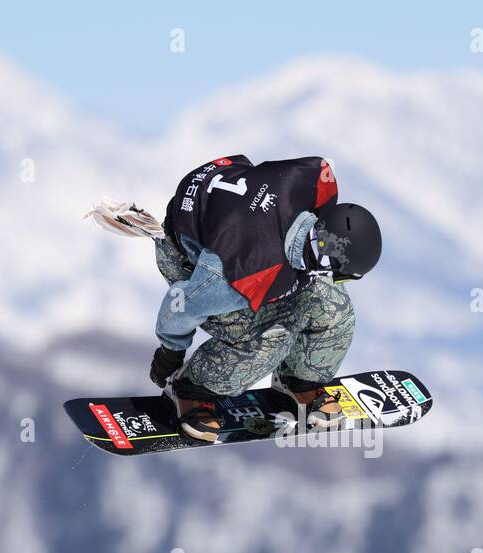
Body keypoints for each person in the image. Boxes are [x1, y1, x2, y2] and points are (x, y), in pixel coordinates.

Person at [88, 155, 382, 442]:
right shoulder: (238, 275)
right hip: (190, 260)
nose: (337, 279)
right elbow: (182, 302)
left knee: (335, 306)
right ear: (326, 258)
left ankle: (299, 381)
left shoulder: (318, 181)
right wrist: (171, 351)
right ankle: (192, 389)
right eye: (340, 274)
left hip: (227, 210)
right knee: (273, 338)